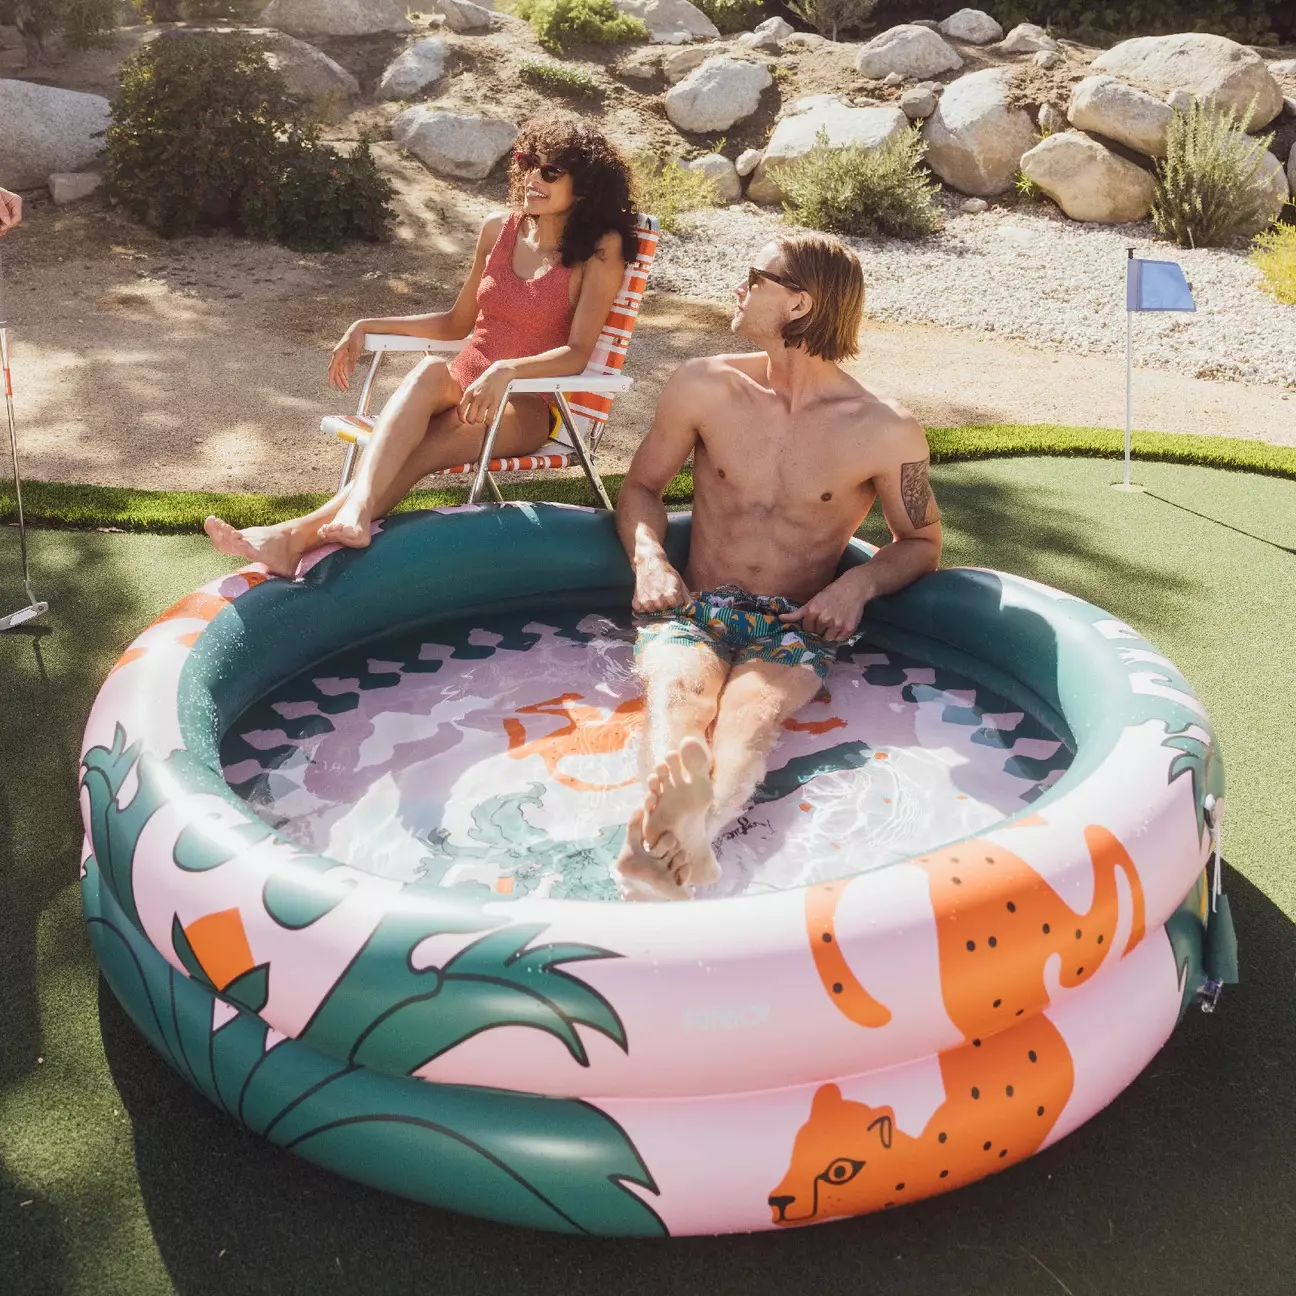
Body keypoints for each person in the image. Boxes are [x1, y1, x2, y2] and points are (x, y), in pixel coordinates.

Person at [612, 234, 943, 901]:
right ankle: (684, 841)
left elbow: (923, 541)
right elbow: (642, 487)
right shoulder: (704, 386)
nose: (738, 286)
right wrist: (649, 560)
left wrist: (856, 584)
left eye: (754, 277)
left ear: (798, 302)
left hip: (792, 624)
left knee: (751, 714)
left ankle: (681, 835)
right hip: (695, 607)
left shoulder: (885, 429)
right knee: (680, 694)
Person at [204, 116, 638, 577]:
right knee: (430, 371)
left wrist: (506, 370)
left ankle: (295, 536)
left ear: (586, 186)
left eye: (550, 172)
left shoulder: (600, 249)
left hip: (524, 404)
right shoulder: (499, 229)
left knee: (424, 446)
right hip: (464, 381)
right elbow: (456, 323)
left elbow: (576, 352)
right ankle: (346, 518)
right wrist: (365, 325)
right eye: (528, 163)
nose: (533, 178)